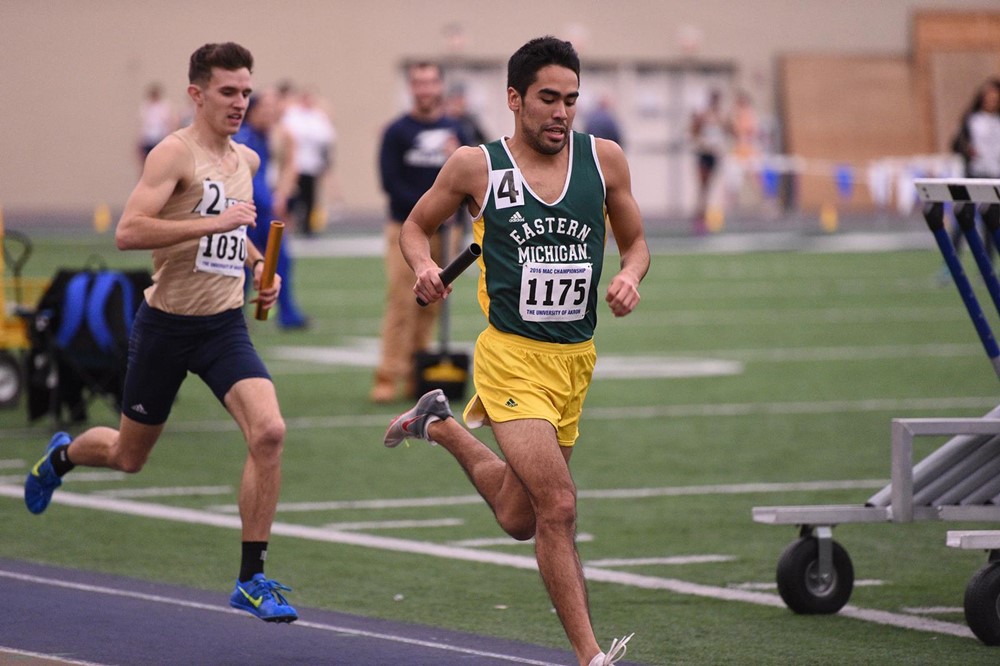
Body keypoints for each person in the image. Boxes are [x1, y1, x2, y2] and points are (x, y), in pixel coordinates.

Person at [384, 36, 649, 666]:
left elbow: (636, 243)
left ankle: (440, 425)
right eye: (548, 98)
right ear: (514, 98)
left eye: (571, 100)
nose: (561, 112)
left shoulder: (604, 160)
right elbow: (415, 226)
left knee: (518, 516)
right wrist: (423, 266)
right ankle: (592, 657)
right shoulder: (475, 166)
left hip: (574, 361)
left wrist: (630, 275)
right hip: (510, 358)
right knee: (558, 505)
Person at [24, 42, 298, 624]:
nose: (240, 102)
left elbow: (236, 234)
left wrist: (257, 267)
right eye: (228, 91)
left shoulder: (246, 160)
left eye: (247, 92)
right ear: (197, 94)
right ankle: (62, 456)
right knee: (128, 457)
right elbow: (128, 232)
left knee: (270, 431)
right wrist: (213, 223)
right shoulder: (173, 154)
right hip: (165, 328)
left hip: (223, 327)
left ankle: (251, 579)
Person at [370, 61, 467, 403]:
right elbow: (390, 182)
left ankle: (418, 374)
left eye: (431, 82)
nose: (425, 89)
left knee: (432, 303)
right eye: (419, 83)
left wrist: (455, 159)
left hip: (447, 231)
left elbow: (471, 176)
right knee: (402, 301)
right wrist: (427, 211)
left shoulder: (457, 130)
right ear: (411, 88)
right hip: (405, 228)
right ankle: (388, 375)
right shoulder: (397, 132)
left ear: (440, 86)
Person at [234, 89, 309, 329]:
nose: (269, 113)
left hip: (264, 211)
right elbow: (251, 181)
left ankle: (286, 313)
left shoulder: (267, 136)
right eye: (264, 109)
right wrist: (270, 202)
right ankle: (237, 313)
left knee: (280, 261)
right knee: (246, 265)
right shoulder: (244, 137)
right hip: (253, 212)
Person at [944, 78, 1000, 274]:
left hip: (995, 177)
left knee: (991, 223)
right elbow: (956, 144)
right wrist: (967, 149)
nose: (991, 99)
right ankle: (951, 265)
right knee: (963, 218)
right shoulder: (971, 120)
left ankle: (986, 267)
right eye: (988, 96)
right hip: (973, 175)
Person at [282, 86, 336, 236]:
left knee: (310, 196)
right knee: (293, 195)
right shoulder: (292, 114)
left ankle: (308, 226)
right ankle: (291, 222)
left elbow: (326, 138)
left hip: (312, 165)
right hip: (295, 164)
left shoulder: (318, 116)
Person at [690, 89, 729, 235]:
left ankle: (705, 218)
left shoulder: (721, 116)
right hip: (704, 155)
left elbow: (727, 131)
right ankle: (699, 220)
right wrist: (703, 143)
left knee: (709, 189)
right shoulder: (703, 116)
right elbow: (693, 133)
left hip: (714, 156)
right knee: (703, 189)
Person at [137, 82, 178, 170]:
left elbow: (169, 122)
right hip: (148, 139)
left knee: (160, 163)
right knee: (146, 164)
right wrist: (141, 141)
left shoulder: (164, 106)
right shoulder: (146, 106)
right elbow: (144, 125)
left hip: (159, 138)